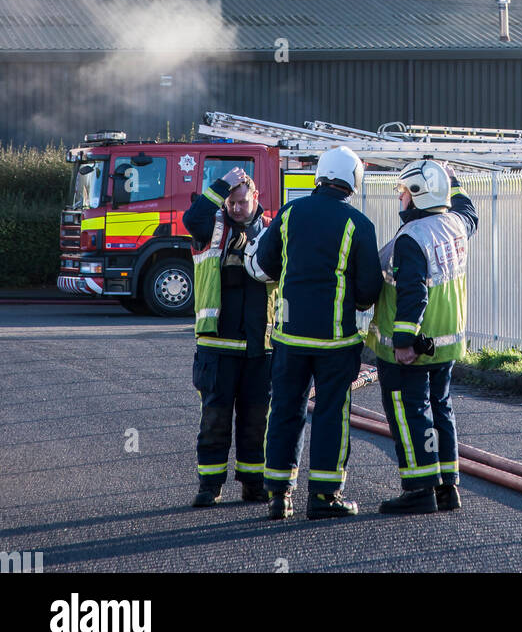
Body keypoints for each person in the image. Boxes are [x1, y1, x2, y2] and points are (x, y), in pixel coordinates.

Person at [244, 146, 382, 521]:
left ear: (320, 174)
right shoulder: (358, 224)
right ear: (354, 178)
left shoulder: (289, 214)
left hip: (288, 339)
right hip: (336, 343)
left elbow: (264, 267)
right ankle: (324, 497)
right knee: (330, 415)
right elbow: (369, 292)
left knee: (285, 409)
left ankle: (277, 494)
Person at [365, 159, 478, 514]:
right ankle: (447, 487)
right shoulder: (455, 225)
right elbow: (468, 210)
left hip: (413, 348)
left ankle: (418, 489)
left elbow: (414, 293)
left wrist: (402, 343)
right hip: (446, 346)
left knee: (409, 411)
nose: (400, 198)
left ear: (416, 195)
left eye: (402, 192)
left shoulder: (413, 238)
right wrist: (452, 178)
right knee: (440, 408)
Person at [182, 165, 276, 507]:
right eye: (231, 202)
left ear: (256, 198)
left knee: (257, 420)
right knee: (215, 418)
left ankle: (254, 484)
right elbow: (192, 218)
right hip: (217, 345)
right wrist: (222, 185)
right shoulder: (212, 227)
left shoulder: (270, 230)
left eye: (242, 201)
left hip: (259, 347)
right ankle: (210, 486)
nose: (236, 208)